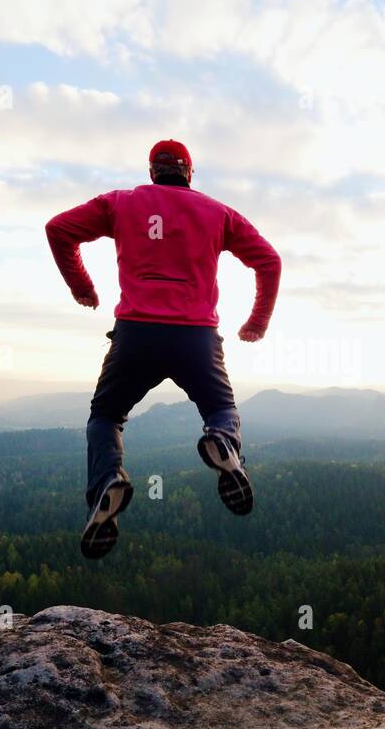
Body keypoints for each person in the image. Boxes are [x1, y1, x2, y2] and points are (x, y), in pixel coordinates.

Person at [45, 139, 282, 558]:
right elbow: (269, 259)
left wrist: (82, 286)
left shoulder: (120, 203)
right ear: (189, 173)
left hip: (136, 334)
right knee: (221, 410)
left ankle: (107, 483)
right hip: (196, 338)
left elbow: (58, 229)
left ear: (152, 171)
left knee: (105, 417)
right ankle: (224, 442)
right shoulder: (217, 212)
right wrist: (257, 321)